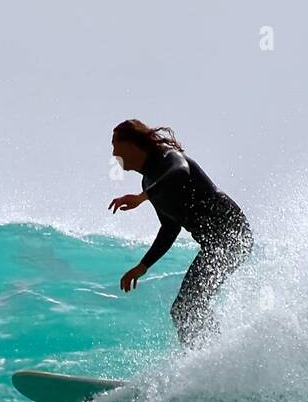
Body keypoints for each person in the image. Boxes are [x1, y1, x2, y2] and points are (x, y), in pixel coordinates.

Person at [108, 120, 253, 346]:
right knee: (184, 308)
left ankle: (213, 356)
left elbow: (180, 173)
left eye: (116, 145)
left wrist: (142, 197)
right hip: (216, 244)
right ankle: (212, 357)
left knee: (187, 305)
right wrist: (143, 266)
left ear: (132, 145)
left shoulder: (168, 158)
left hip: (232, 234)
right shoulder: (148, 180)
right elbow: (170, 227)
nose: (114, 152)